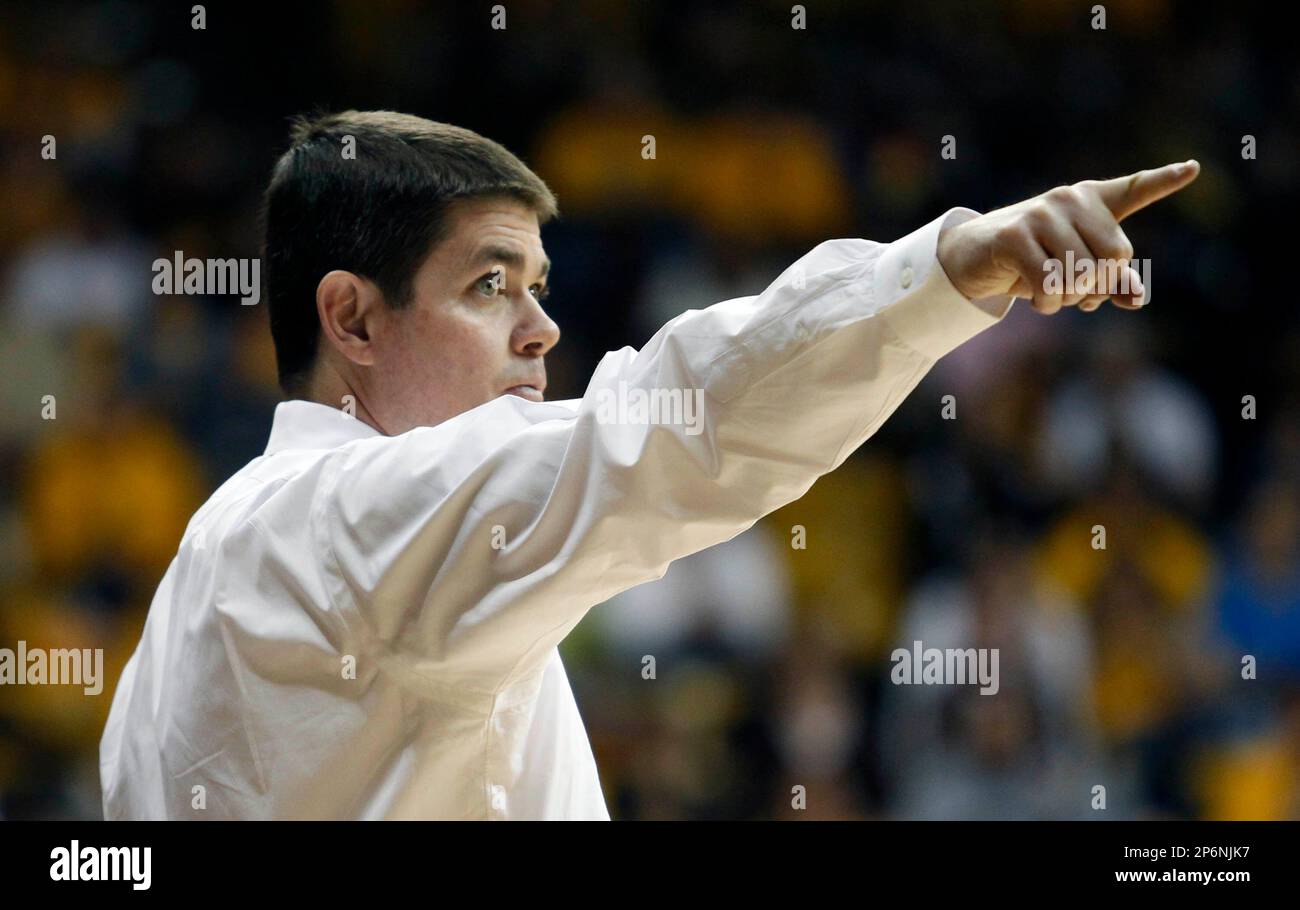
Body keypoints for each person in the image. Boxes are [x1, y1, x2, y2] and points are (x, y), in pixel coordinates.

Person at [98, 109, 1199, 819]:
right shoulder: (341, 523)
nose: (540, 329)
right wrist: (944, 272)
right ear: (353, 318)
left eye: (538, 284)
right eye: (490, 286)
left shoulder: (208, 581)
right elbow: (666, 431)